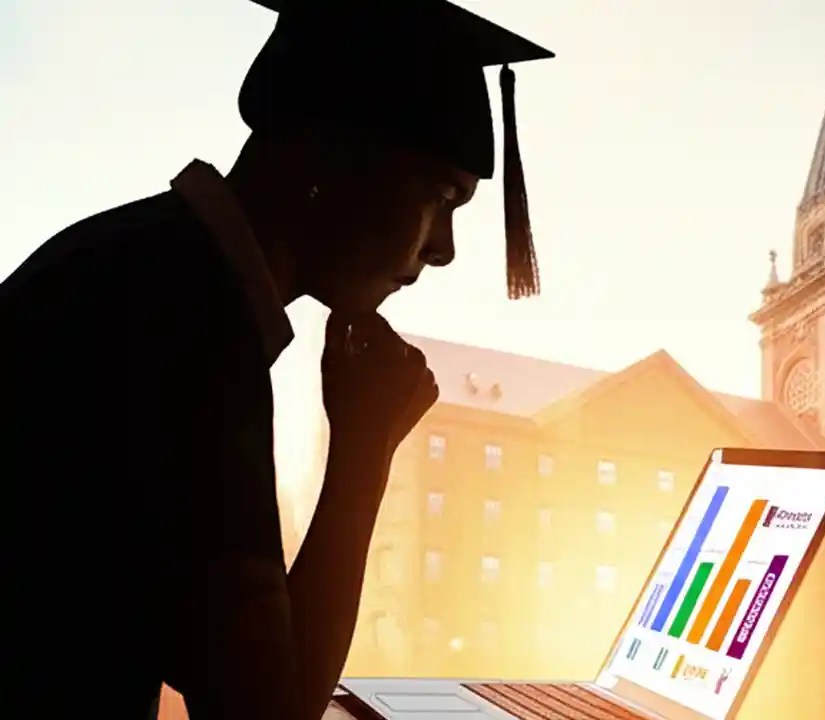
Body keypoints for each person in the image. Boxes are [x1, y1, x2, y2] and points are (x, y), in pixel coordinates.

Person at [0, 0, 553, 718]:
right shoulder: (184, 322)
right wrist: (364, 448)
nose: (443, 248)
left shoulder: (141, 261)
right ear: (333, 163)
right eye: (440, 196)